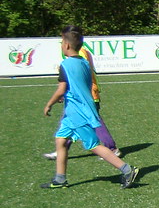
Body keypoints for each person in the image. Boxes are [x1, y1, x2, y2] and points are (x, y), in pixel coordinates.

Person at [41, 28, 139, 189]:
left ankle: (127, 170)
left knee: (93, 145)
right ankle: (60, 179)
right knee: (60, 140)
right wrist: (66, 96)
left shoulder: (65, 65)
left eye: (61, 43)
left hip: (77, 112)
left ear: (66, 45)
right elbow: (79, 85)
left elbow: (61, 88)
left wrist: (49, 103)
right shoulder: (84, 62)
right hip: (73, 111)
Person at [43, 24, 120, 160]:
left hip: (85, 95)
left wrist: (64, 91)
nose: (62, 42)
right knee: (70, 122)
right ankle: (61, 148)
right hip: (80, 95)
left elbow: (80, 76)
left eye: (62, 38)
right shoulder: (80, 52)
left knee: (94, 122)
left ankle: (111, 148)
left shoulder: (80, 54)